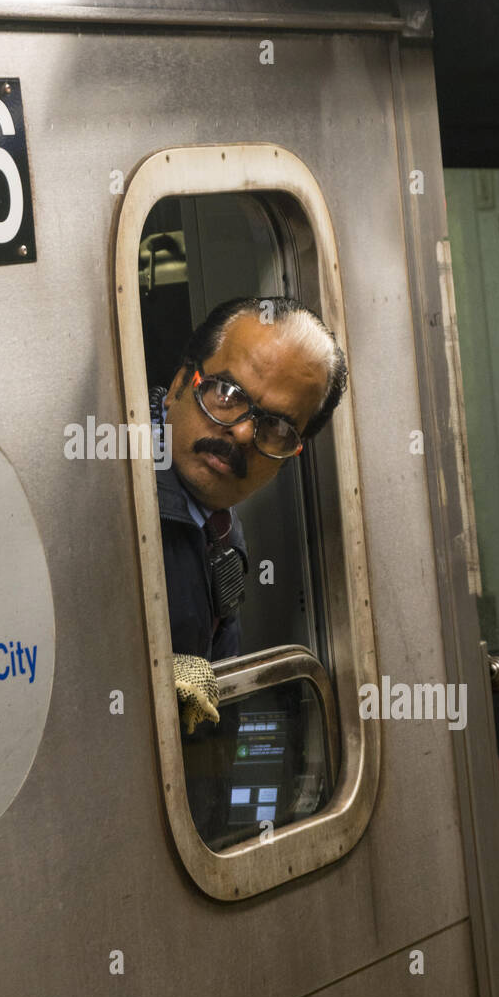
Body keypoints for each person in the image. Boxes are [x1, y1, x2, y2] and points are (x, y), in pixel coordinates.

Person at [151, 295, 348, 840]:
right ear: (178, 385)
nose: (241, 433)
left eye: (277, 427)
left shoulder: (218, 526)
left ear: (294, 452)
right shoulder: (114, 495)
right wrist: (150, 679)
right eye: (228, 394)